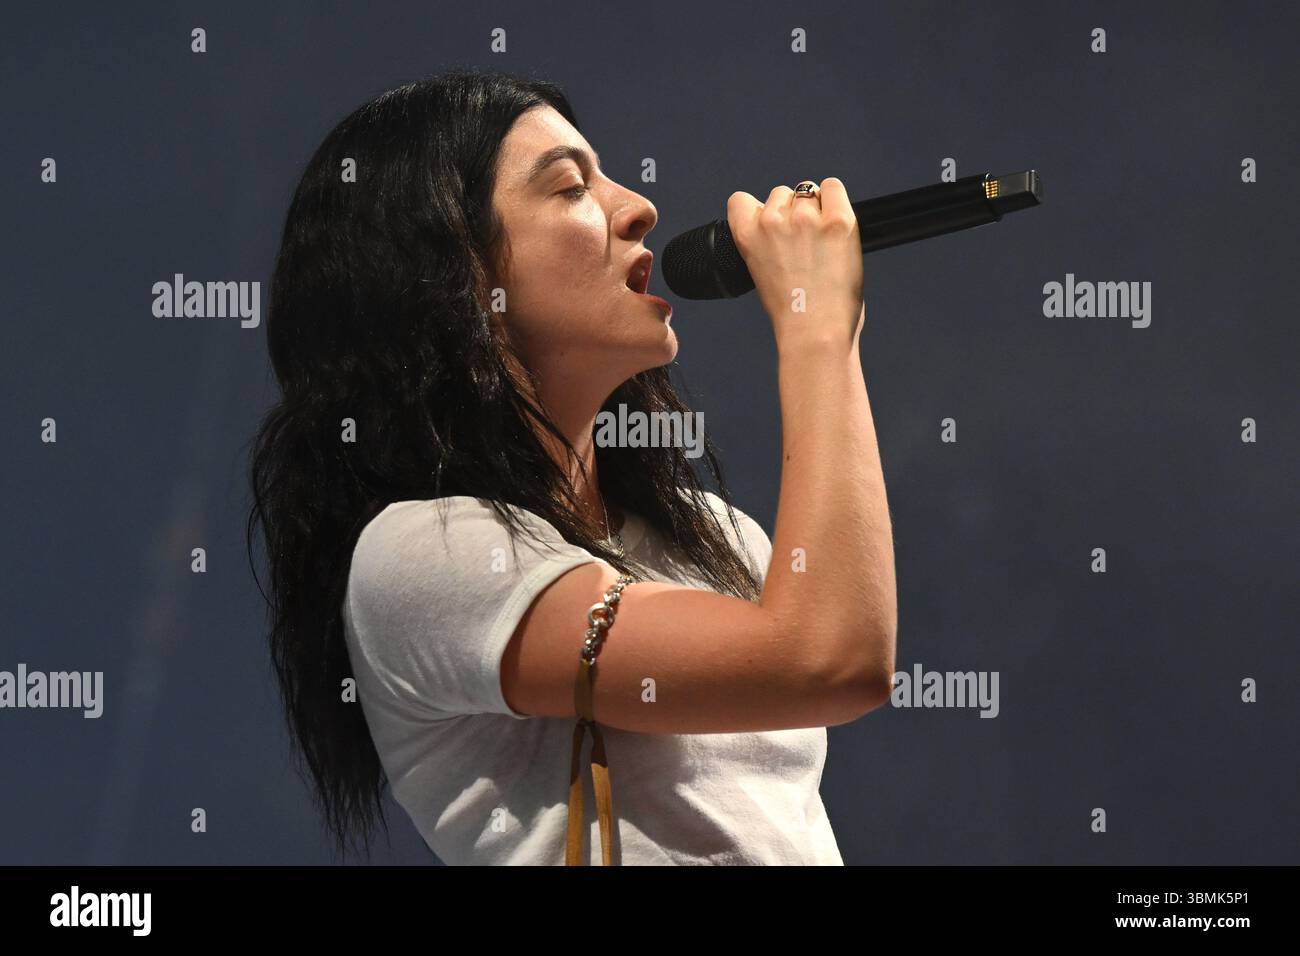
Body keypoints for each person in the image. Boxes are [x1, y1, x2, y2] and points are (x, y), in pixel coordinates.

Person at [247, 67, 897, 865]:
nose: (640, 207)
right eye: (569, 187)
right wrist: (818, 330)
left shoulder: (717, 537)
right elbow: (828, 660)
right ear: (454, 272)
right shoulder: (426, 552)